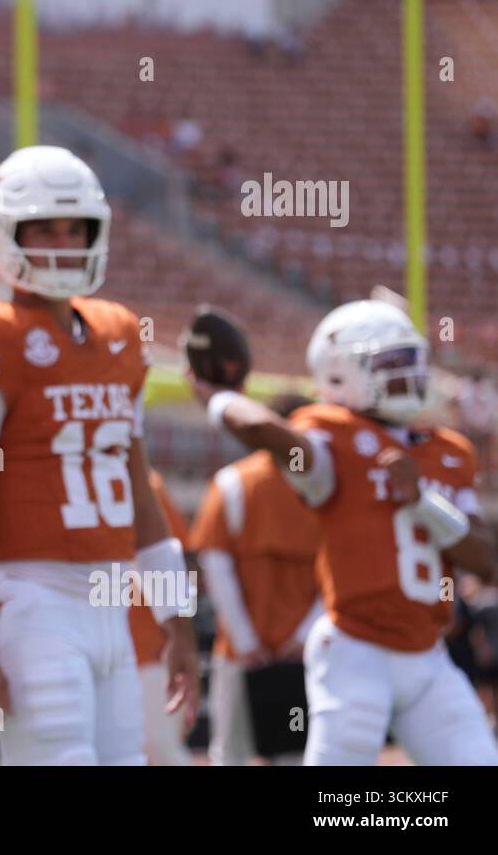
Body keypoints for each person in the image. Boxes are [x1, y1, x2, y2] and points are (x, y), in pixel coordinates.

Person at [0, 145, 199, 765]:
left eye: (74, 229)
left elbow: (139, 496)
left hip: (114, 607)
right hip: (35, 603)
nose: (61, 243)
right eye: (42, 228)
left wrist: (176, 620)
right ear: (5, 233)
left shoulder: (119, 332)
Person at [189, 299, 498, 765]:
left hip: (427, 653)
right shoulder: (333, 435)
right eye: (390, 361)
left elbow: (486, 562)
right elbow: (273, 437)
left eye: (411, 357)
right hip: (357, 650)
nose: (409, 371)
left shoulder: (449, 452)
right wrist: (221, 398)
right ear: (339, 375)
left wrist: (422, 502)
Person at [187, 395, 323, 766]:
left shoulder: (322, 490)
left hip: (281, 653)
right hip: (261, 653)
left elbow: (216, 566)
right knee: (246, 752)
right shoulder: (237, 483)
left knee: (280, 753)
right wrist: (277, 639)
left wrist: (289, 638)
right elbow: (216, 563)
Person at [128, 470, 194, 766]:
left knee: (159, 751)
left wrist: (179, 635)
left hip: (150, 653)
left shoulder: (143, 481)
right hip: (83, 649)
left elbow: (172, 554)